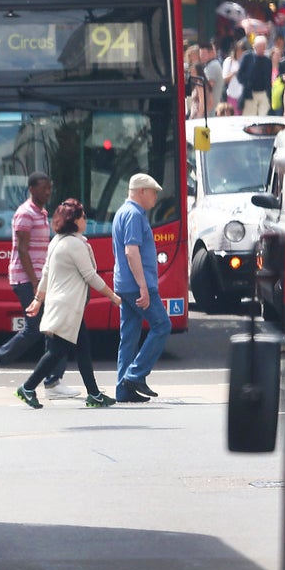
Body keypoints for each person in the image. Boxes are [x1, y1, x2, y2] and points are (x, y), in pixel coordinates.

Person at [14, 199, 122, 409]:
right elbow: (90, 276)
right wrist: (113, 296)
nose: (85, 220)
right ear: (74, 221)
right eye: (82, 217)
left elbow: (45, 273)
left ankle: (94, 394)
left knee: (83, 350)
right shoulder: (74, 244)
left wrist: (38, 300)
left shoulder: (58, 241)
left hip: (65, 305)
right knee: (57, 351)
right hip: (67, 306)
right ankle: (27, 387)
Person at [0, 172, 77, 398]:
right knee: (38, 329)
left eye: (49, 187)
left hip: (39, 279)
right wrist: (37, 284)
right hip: (26, 280)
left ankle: (52, 380)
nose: (47, 192)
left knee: (51, 328)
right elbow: (23, 250)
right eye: (43, 188)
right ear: (31, 189)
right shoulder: (25, 214)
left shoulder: (42, 213)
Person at [112, 173, 173, 403]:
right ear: (141, 192)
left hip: (124, 283)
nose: (156, 197)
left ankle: (123, 390)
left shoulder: (122, 213)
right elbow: (131, 251)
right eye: (153, 192)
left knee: (129, 335)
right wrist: (143, 286)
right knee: (162, 325)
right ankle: (135, 374)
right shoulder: (135, 215)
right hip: (137, 284)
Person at [240, 35, 272, 116]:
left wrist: (269, 96)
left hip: (263, 93)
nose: (262, 49)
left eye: (263, 46)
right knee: (249, 117)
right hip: (250, 93)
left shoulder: (267, 61)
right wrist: (246, 84)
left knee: (263, 117)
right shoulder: (247, 57)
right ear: (254, 46)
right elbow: (240, 74)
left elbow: (268, 79)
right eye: (260, 46)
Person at [222, 38, 246, 111]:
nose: (240, 53)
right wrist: (234, 73)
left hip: (245, 97)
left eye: (242, 51)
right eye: (238, 51)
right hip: (232, 96)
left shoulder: (248, 62)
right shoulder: (229, 61)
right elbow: (224, 79)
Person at [201, 41, 224, 108]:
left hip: (211, 106)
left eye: (204, 54)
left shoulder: (212, 66)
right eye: (201, 54)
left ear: (211, 53)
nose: (201, 56)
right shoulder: (209, 65)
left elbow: (209, 87)